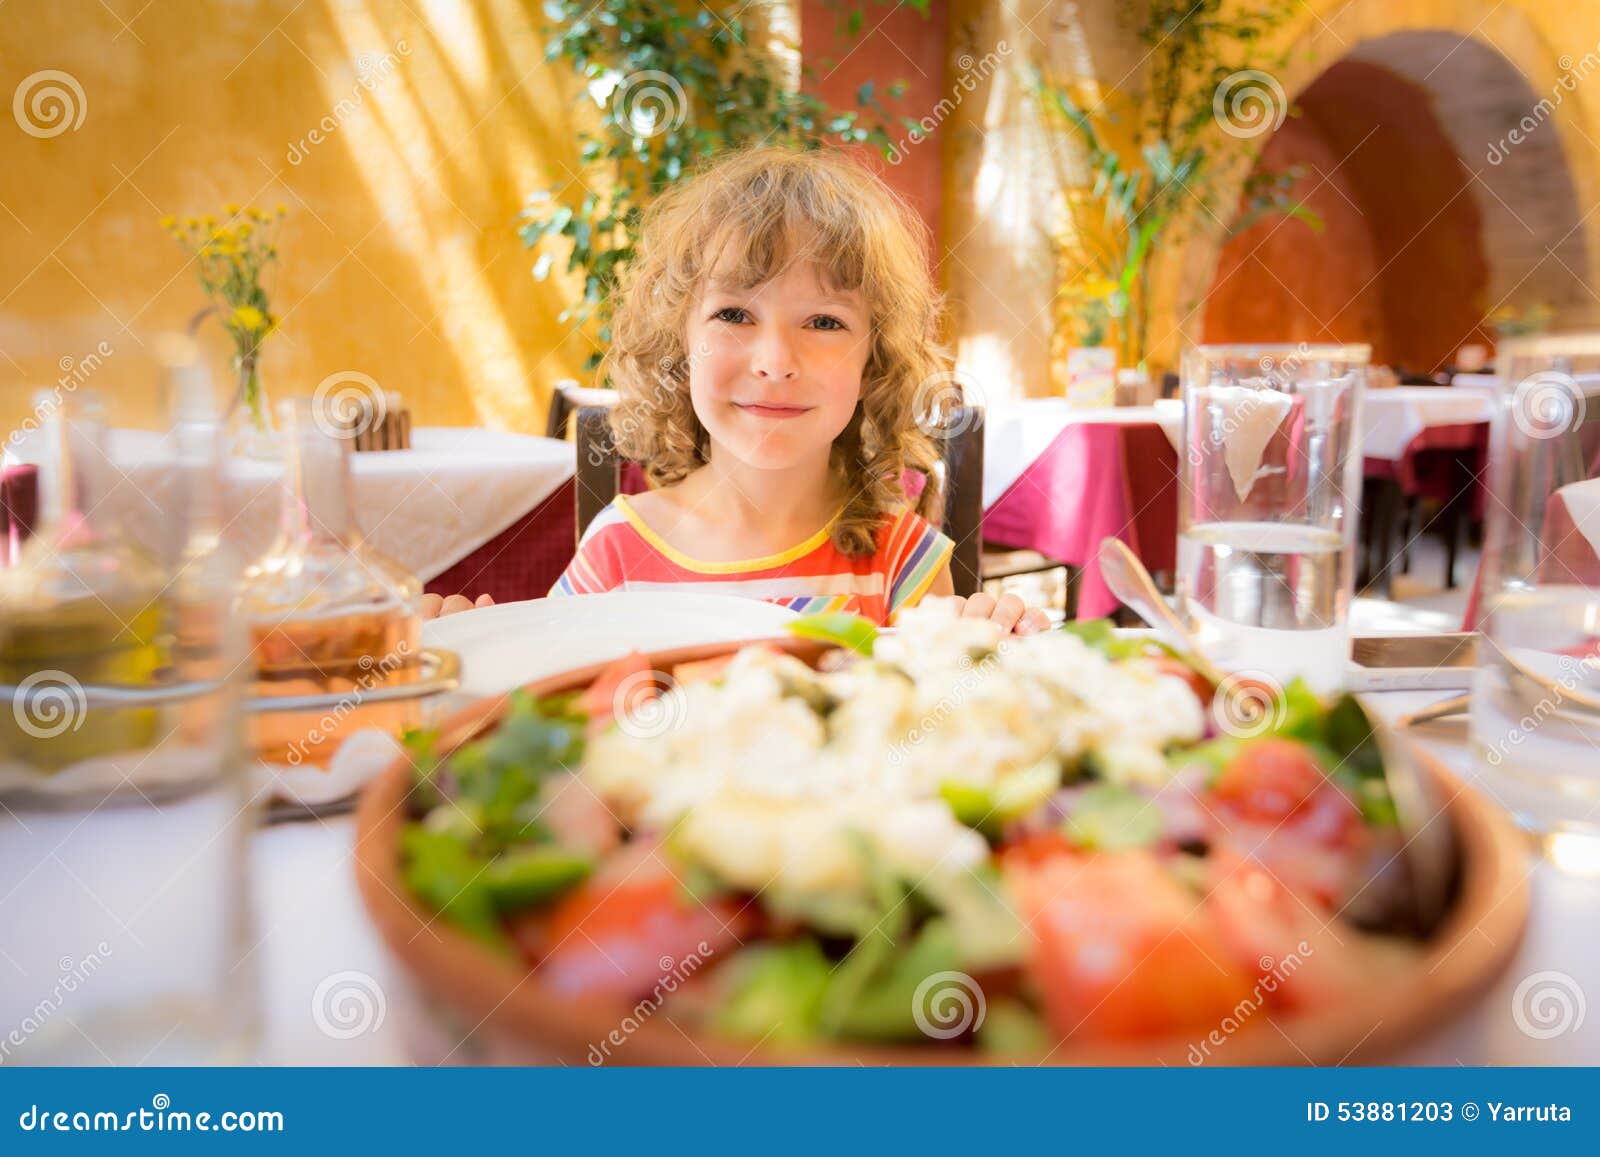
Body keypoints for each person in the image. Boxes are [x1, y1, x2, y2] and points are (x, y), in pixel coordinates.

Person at [424, 146, 1048, 633]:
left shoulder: (901, 561)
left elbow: (937, 730)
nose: (775, 361)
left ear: (873, 360)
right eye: (734, 315)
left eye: (825, 322)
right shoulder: (616, 550)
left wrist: (985, 651)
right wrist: (472, 655)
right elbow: (560, 723)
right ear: (679, 343)